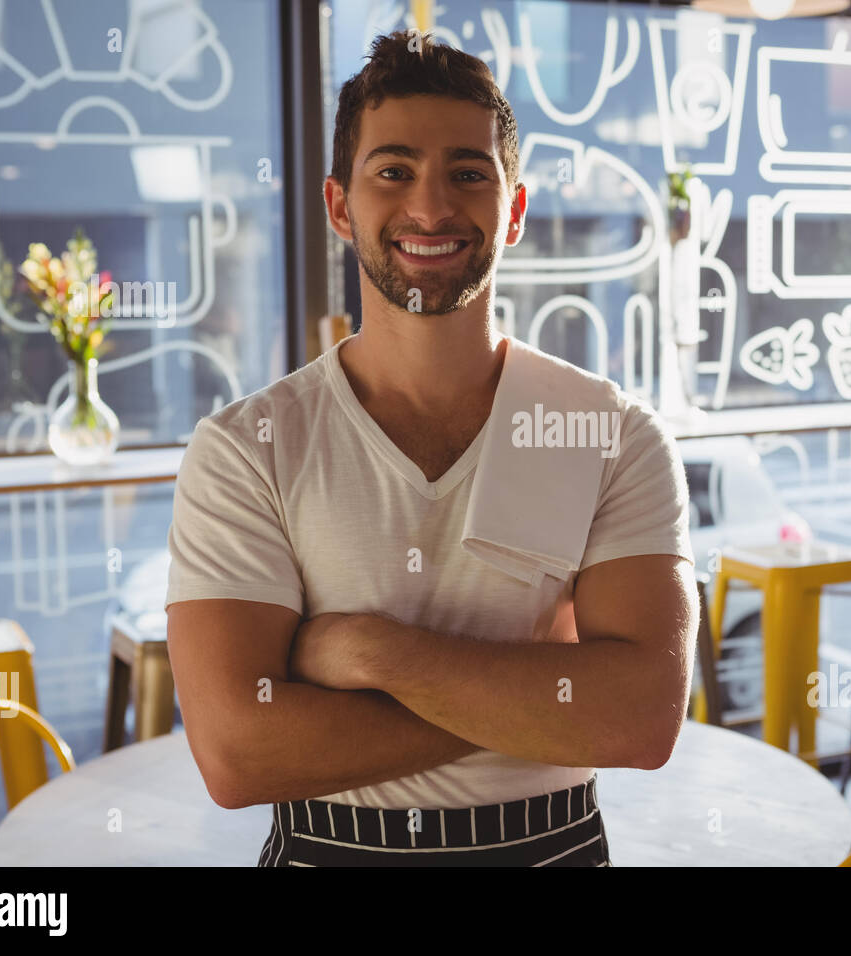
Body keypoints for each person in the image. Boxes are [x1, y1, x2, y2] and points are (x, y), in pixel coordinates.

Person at [164, 29, 696, 867]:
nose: (432, 207)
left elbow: (640, 719)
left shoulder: (611, 433)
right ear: (341, 206)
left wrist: (372, 653)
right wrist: (539, 696)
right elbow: (237, 754)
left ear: (512, 210)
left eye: (468, 174)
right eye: (394, 171)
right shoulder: (248, 448)